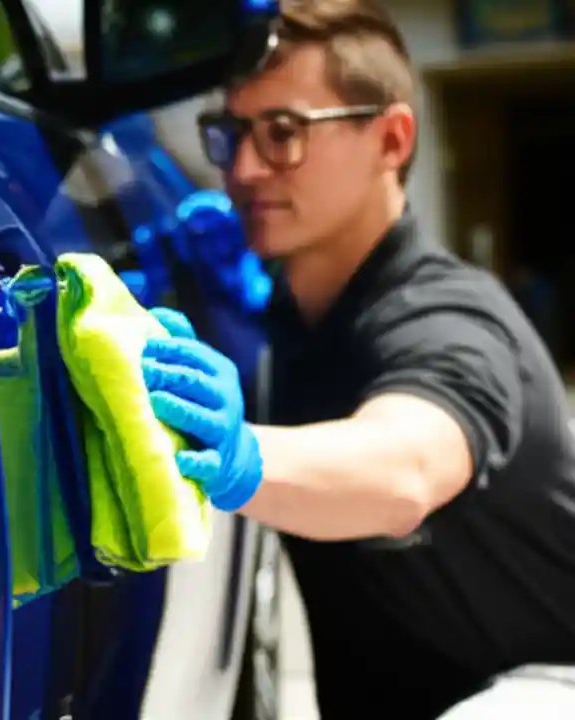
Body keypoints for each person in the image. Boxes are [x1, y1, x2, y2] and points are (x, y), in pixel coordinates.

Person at [137, 1, 575, 718]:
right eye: (231, 132)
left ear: (392, 138)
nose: (244, 169)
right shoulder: (287, 317)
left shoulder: (449, 318)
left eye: (284, 132)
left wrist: (236, 453)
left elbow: (403, 470)